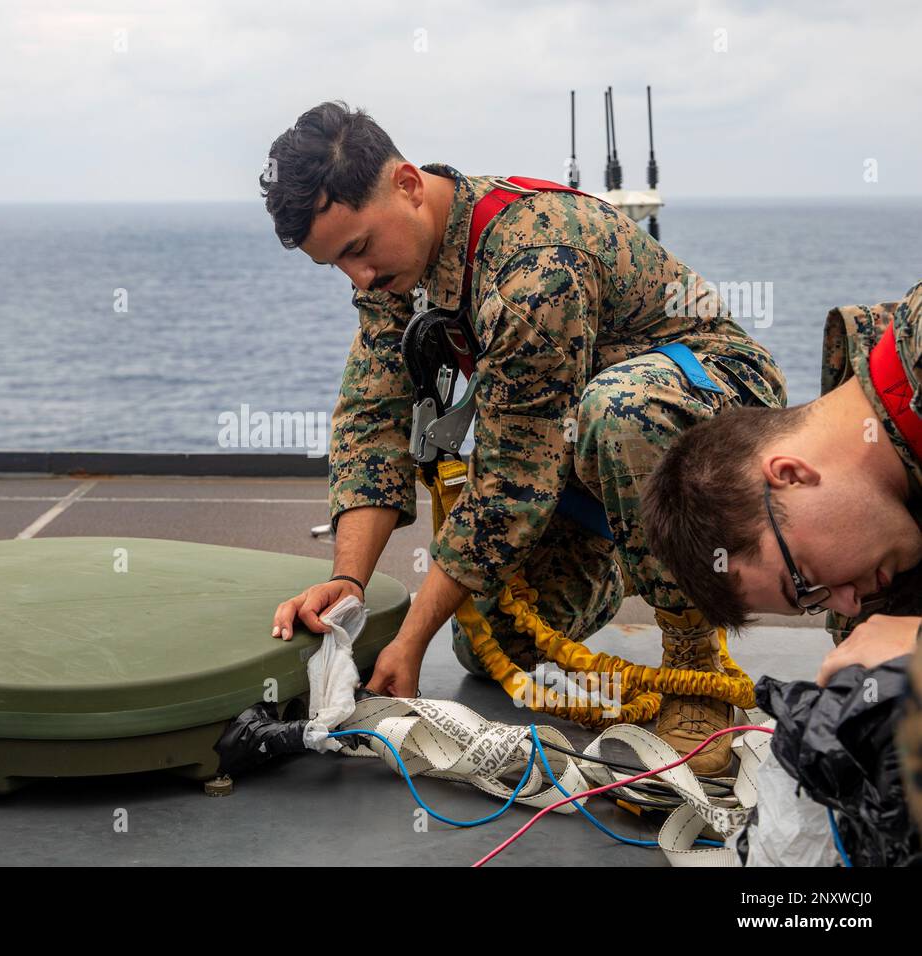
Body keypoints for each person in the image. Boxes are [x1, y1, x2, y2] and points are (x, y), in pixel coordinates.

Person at [259, 101, 785, 774]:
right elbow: (372, 420)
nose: (357, 278)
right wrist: (348, 580)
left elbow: (513, 482)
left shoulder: (535, 266)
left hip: (714, 409)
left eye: (358, 249)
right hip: (589, 459)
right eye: (335, 264)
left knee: (615, 410)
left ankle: (694, 668)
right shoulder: (399, 274)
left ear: (408, 186)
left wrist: (410, 638)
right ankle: (638, 549)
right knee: (493, 650)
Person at [642, 280, 922, 818]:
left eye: (805, 579)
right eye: (812, 602)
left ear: (790, 475)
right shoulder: (877, 547)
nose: (844, 603)